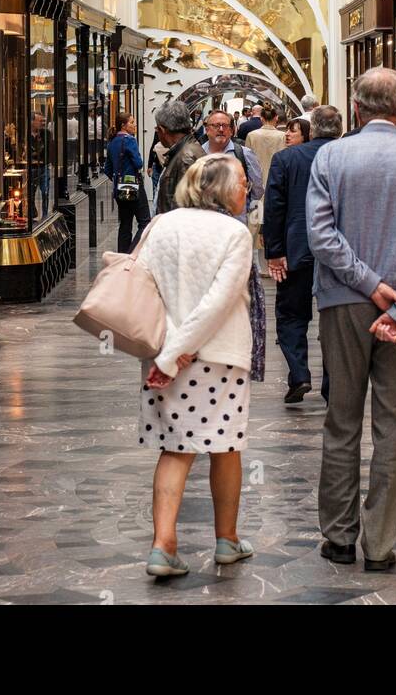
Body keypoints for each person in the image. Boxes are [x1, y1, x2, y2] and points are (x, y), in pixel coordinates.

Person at [307, 67, 396, 572]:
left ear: (358, 108)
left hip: (344, 303)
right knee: (393, 425)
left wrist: (366, 283)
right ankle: (381, 544)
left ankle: (339, 536)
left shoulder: (330, 157)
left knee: (342, 419)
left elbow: (321, 237)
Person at [134, 154, 256, 579]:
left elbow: (141, 287)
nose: (247, 189)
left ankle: (163, 544)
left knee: (175, 450)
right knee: (225, 447)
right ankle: (227, 539)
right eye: (241, 182)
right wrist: (177, 352)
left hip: (165, 354)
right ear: (221, 189)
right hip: (218, 355)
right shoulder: (235, 234)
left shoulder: (160, 225)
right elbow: (219, 303)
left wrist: (169, 349)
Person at [264, 104, 342, 403]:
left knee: (291, 315)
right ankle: (332, 384)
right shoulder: (346, 157)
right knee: (335, 317)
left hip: (297, 248)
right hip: (338, 251)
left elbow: (275, 207)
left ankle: (299, 374)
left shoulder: (286, 159)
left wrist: (275, 251)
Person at [201, 111, 264, 227]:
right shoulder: (198, 154)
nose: (221, 129)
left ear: (231, 130)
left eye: (225, 126)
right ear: (207, 129)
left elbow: (257, 188)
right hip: (203, 225)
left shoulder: (244, 154)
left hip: (235, 224)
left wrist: (242, 209)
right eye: (215, 125)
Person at [106, 111, 152, 253]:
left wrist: (119, 179)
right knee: (145, 222)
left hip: (119, 189)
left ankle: (121, 255)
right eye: (132, 122)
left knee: (125, 224)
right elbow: (138, 163)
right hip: (134, 186)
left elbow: (107, 169)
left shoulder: (112, 142)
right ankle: (132, 252)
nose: (134, 125)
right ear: (123, 125)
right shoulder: (130, 140)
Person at [153, 100, 204, 214]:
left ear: (162, 130)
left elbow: (187, 212)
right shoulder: (185, 152)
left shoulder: (186, 158)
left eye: (157, 129)